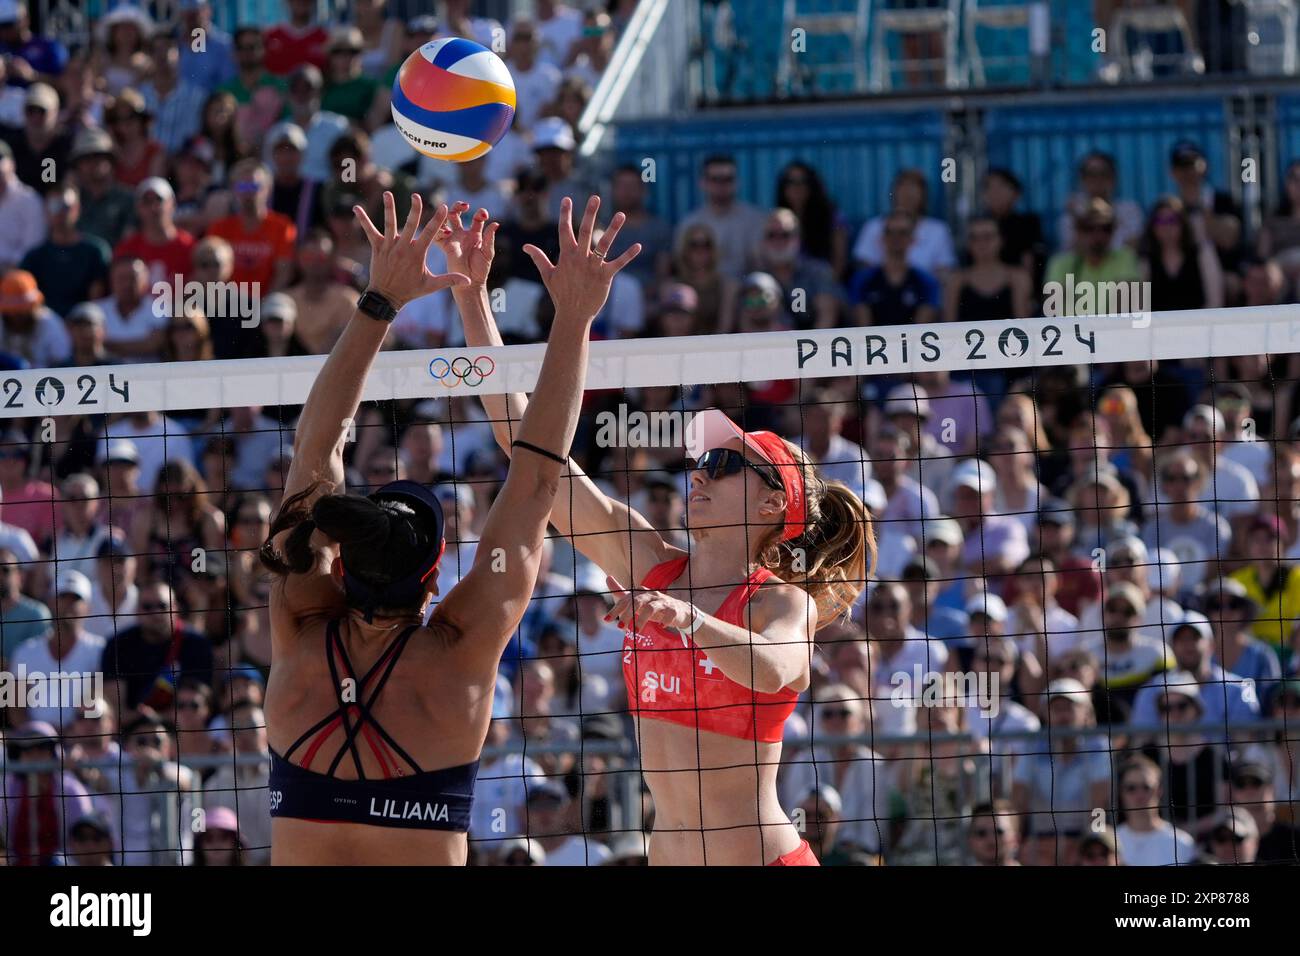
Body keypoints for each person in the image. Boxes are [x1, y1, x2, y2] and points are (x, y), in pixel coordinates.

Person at [455, 197, 872, 864]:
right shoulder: (650, 559)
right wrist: (474, 301)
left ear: (773, 508)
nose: (700, 473)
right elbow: (528, 449)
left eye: (728, 464)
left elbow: (777, 670)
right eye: (702, 460)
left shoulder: (776, 602)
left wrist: (685, 618)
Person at [256, 192, 637, 866]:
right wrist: (573, 316)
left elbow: (316, 450)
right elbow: (538, 479)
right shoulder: (459, 656)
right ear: (433, 577)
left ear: (342, 564)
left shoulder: (301, 631)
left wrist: (380, 299)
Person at [674, 154, 768, 279]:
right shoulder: (689, 224)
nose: (721, 185)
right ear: (702, 183)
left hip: (746, 292)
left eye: (727, 179)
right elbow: (680, 267)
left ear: (737, 182)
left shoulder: (756, 220)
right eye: (715, 179)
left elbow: (762, 265)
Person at [1115, 754, 1197, 865]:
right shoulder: (1110, 843)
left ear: (1159, 790)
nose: (1139, 795)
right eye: (1131, 788)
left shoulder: (1182, 843)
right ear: (1121, 793)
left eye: (1146, 787)